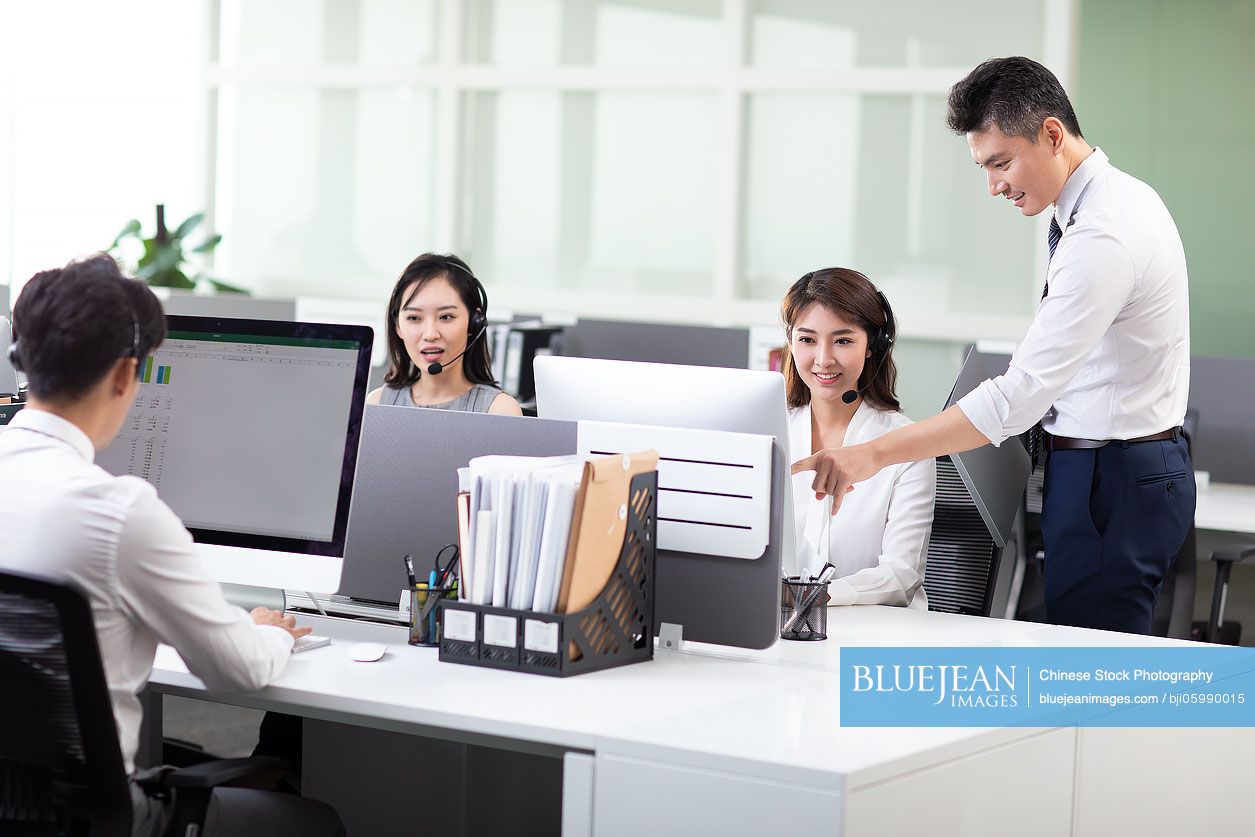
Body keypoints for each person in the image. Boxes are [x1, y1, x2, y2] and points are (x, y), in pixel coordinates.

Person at [793, 57, 1193, 635]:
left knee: (1094, 673)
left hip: (1113, 474)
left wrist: (872, 454)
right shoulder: (1105, 207)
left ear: (1052, 134)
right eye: (984, 167)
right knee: (1089, 661)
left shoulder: (1103, 233)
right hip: (1109, 466)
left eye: (1001, 162)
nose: (994, 185)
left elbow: (1019, 396)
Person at [0, 254, 344, 836]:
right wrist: (267, 630)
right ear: (122, 376)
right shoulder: (121, 511)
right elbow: (234, 668)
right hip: (95, 818)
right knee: (314, 822)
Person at [783, 268, 936, 608]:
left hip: (873, 636)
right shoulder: (770, 434)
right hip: (775, 632)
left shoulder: (906, 447)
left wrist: (813, 598)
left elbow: (900, 575)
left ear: (872, 346)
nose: (823, 359)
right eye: (807, 340)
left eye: (843, 340)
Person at [366, 252, 522, 415]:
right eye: (414, 318)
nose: (430, 334)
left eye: (446, 317)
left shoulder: (499, 410)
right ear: (398, 326)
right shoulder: (377, 404)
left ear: (474, 323)